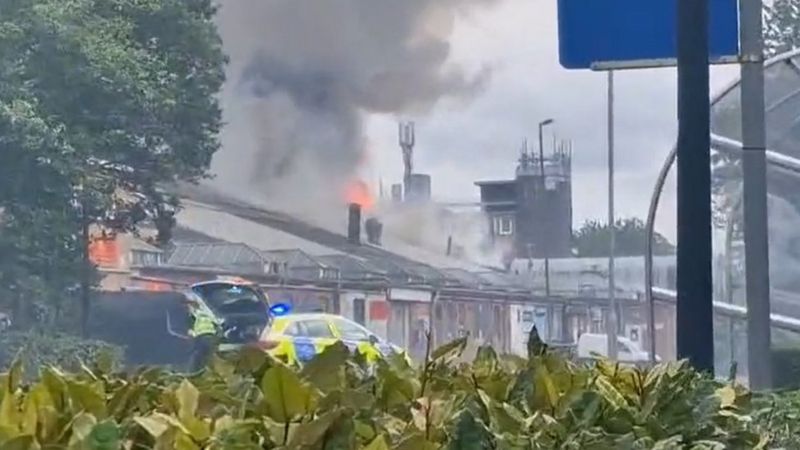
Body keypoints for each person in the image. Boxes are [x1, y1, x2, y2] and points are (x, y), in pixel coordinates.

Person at [184, 297, 221, 372]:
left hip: (202, 337)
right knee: (211, 356)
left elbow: (190, 331)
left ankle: (194, 372)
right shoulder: (206, 314)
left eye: (189, 306)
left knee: (197, 356)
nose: (188, 308)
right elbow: (217, 324)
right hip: (211, 337)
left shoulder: (195, 315)